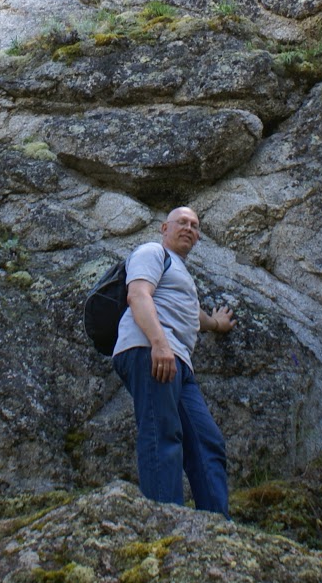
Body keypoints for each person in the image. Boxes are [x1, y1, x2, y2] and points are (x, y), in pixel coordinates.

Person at [112, 205, 236, 516]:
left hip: (179, 360)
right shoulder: (152, 252)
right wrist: (159, 343)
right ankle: (165, 521)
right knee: (162, 432)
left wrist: (217, 324)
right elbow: (138, 295)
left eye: (194, 226)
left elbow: (192, 314)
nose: (189, 228)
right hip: (150, 350)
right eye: (182, 222)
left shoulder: (180, 272)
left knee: (207, 441)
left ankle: (216, 525)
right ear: (164, 228)